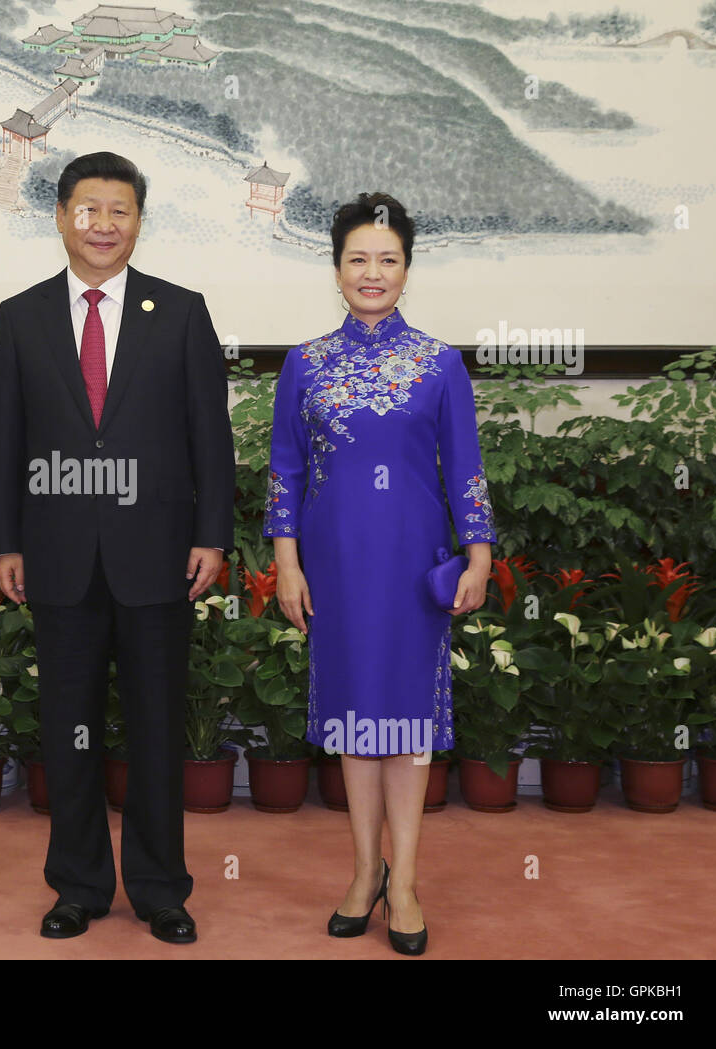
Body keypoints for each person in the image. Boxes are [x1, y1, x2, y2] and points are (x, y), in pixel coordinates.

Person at [0, 151, 235, 944]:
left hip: (159, 554)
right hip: (57, 556)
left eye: (119, 210)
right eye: (87, 209)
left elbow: (211, 440)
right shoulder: (20, 315)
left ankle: (162, 888)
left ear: (138, 220)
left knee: (158, 729)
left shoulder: (183, 310)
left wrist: (212, 534)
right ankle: (80, 885)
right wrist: (5, 542)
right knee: (70, 730)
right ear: (59, 216)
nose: (103, 224)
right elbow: (5, 441)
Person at [264, 192, 495, 956]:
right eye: (357, 259)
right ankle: (364, 871)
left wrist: (481, 552)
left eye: (387, 260)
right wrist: (286, 565)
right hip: (333, 569)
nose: (372, 272)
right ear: (335, 270)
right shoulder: (304, 363)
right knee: (357, 725)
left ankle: (406, 883)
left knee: (408, 725)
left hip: (412, 568)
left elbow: (465, 468)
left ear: (407, 269)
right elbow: (284, 473)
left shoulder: (439, 363)